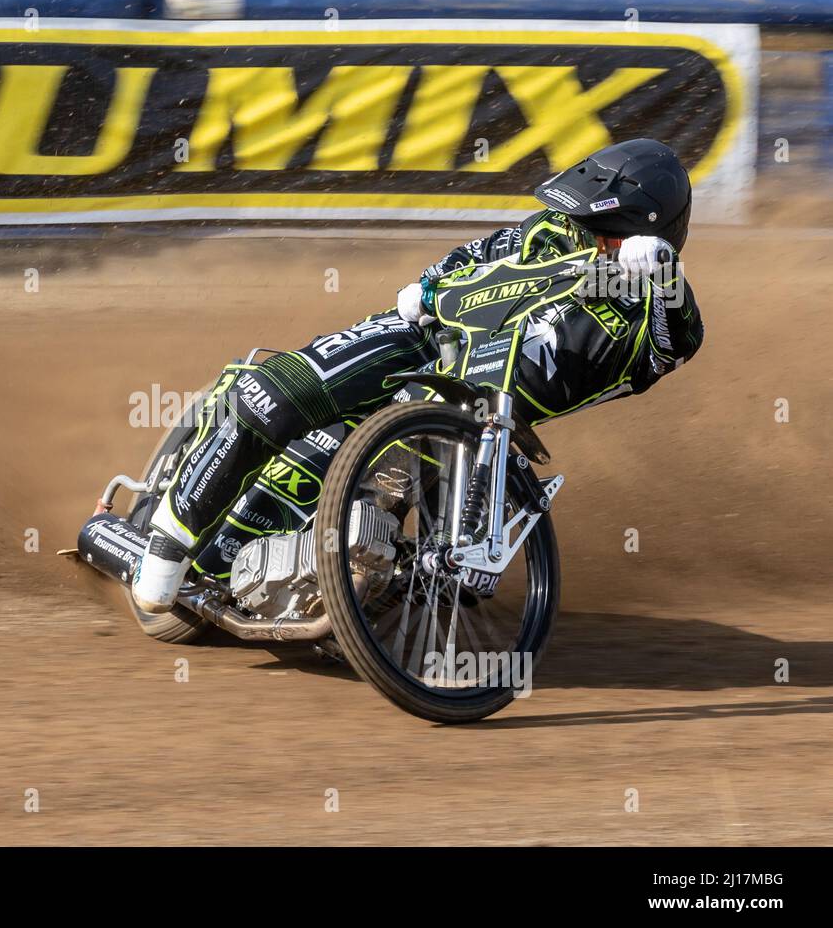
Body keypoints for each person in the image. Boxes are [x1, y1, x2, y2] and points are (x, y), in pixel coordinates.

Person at [132, 137, 705, 613]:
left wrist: (663, 280)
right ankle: (165, 545)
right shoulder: (548, 232)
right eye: (580, 222)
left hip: (470, 416)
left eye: (601, 232)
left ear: (648, 236)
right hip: (423, 332)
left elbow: (678, 344)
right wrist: (425, 287)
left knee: (405, 525)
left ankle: (352, 584)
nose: (581, 234)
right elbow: (464, 262)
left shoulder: (651, 308)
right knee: (269, 395)